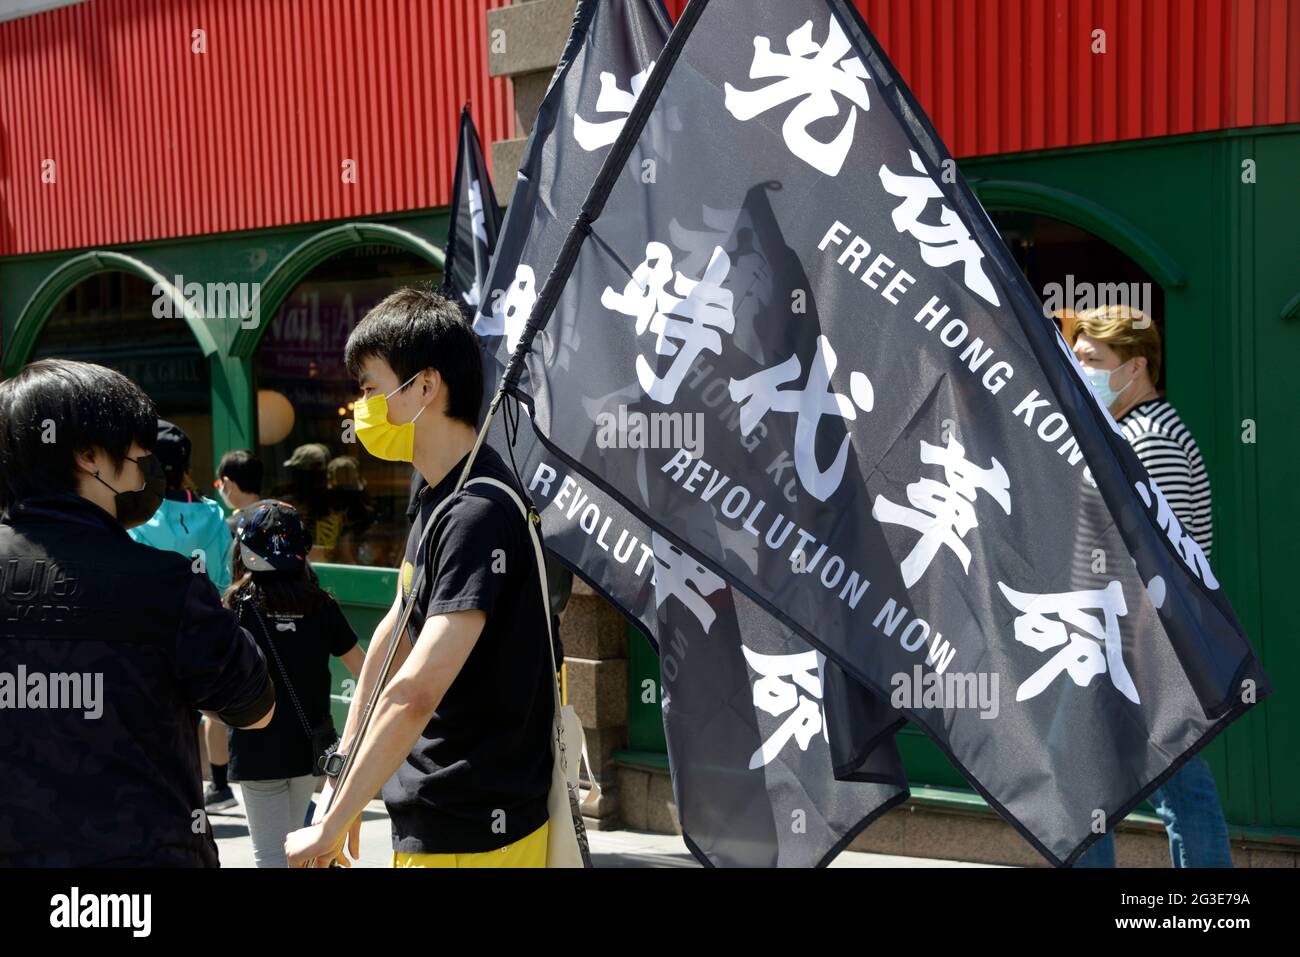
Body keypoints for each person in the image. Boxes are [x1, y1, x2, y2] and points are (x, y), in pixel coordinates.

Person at [284, 287, 554, 869]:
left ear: (425, 386)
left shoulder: (476, 512)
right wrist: (344, 783)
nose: (362, 408)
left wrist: (328, 827)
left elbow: (414, 692)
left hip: (474, 834)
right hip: (440, 826)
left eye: (370, 388)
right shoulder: (439, 496)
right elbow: (393, 638)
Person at [0, 359, 275, 867]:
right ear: (91, 457)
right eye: (139, 451)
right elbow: (255, 706)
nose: (149, 467)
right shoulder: (164, 583)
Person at [1069, 304, 1230, 868]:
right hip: (1142, 638)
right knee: (1163, 781)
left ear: (1134, 366)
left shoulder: (1147, 439)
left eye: (1092, 358)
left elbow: (1150, 557)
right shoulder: (1145, 429)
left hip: (1139, 640)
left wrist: (1131, 653)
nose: (1079, 367)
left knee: (1109, 778)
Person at [223, 501, 365, 867]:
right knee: (295, 853)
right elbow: (366, 672)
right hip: (310, 746)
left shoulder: (236, 606)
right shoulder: (321, 605)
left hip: (255, 748)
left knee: (270, 856)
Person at [130, 419, 235, 593]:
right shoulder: (215, 515)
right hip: (208, 617)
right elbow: (227, 580)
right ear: (186, 471)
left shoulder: (135, 520)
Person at [217, 448, 266, 534]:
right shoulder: (277, 514)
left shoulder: (230, 528)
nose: (219, 489)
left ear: (228, 483)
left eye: (218, 484)